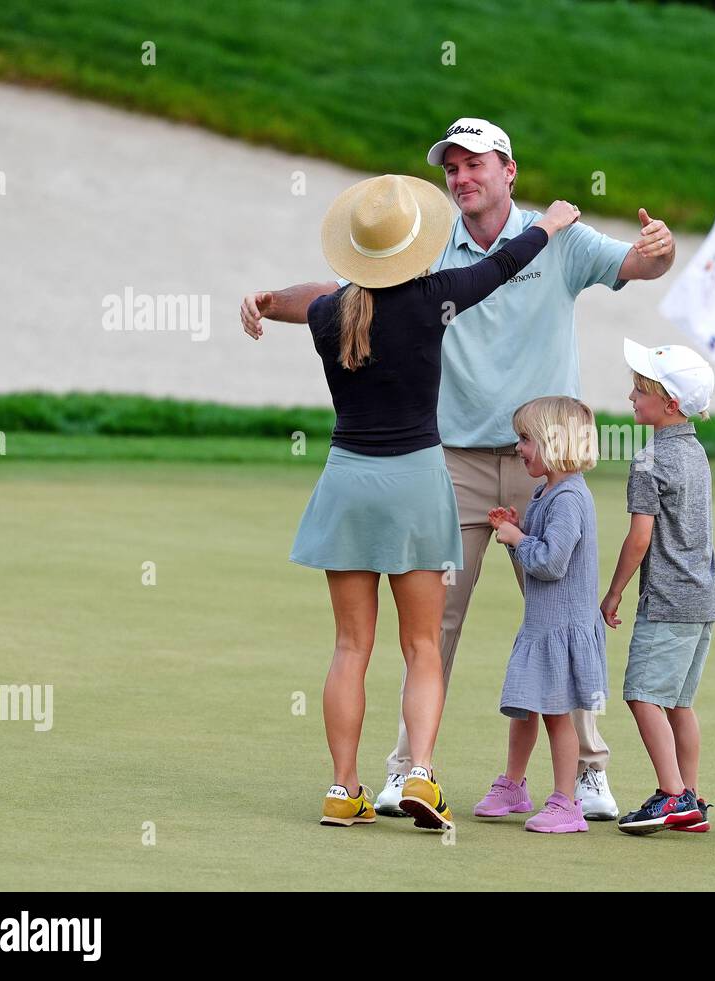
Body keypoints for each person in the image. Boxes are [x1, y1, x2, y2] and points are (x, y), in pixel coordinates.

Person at [241, 117, 676, 821]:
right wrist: (268, 297)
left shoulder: (558, 239)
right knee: (434, 623)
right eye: (452, 168)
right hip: (450, 462)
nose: (461, 176)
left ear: (509, 169)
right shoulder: (428, 240)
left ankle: (587, 770)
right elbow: (349, 288)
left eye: (475, 164)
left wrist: (661, 249)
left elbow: (636, 264)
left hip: (547, 466)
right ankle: (408, 770)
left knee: (563, 615)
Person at [253, 169, 580, 830]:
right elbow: (501, 264)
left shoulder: (328, 315)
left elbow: (313, 299)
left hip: (347, 480)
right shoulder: (436, 297)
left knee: (350, 646)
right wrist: (549, 223)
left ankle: (344, 788)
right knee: (423, 643)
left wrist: (262, 301)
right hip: (413, 481)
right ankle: (420, 773)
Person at [601, 340, 715, 835]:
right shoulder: (696, 451)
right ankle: (688, 798)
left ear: (669, 402)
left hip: (668, 598)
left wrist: (613, 592)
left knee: (641, 695)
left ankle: (673, 794)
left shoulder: (649, 461)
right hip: (703, 599)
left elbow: (639, 538)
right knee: (678, 702)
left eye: (640, 389)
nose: (631, 397)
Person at [473, 397, 607, 834]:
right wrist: (518, 531)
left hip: (560, 628)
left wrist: (518, 539)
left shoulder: (570, 497)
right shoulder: (546, 490)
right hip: (541, 626)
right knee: (524, 709)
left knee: (554, 715)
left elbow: (552, 563)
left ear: (554, 442)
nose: (519, 448)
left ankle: (566, 802)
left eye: (526, 439)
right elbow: (544, 545)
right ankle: (513, 785)